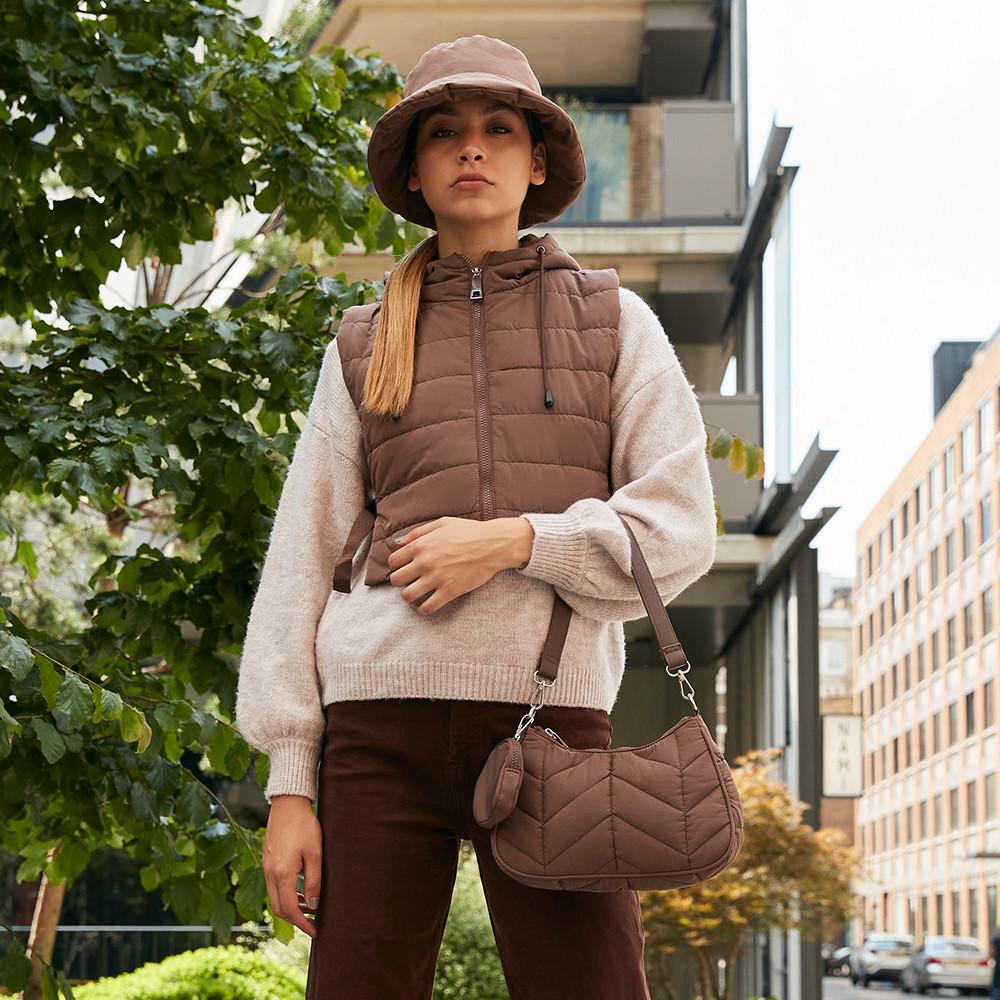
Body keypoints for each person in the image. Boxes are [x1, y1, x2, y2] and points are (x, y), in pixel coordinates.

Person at [235, 33, 717, 1000]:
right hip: (378, 727)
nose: (472, 148)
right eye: (444, 132)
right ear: (414, 168)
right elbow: (303, 553)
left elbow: (678, 526)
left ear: (536, 161)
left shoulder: (614, 321)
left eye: (500, 129)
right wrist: (292, 778)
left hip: (551, 723)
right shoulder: (368, 338)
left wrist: (516, 541)